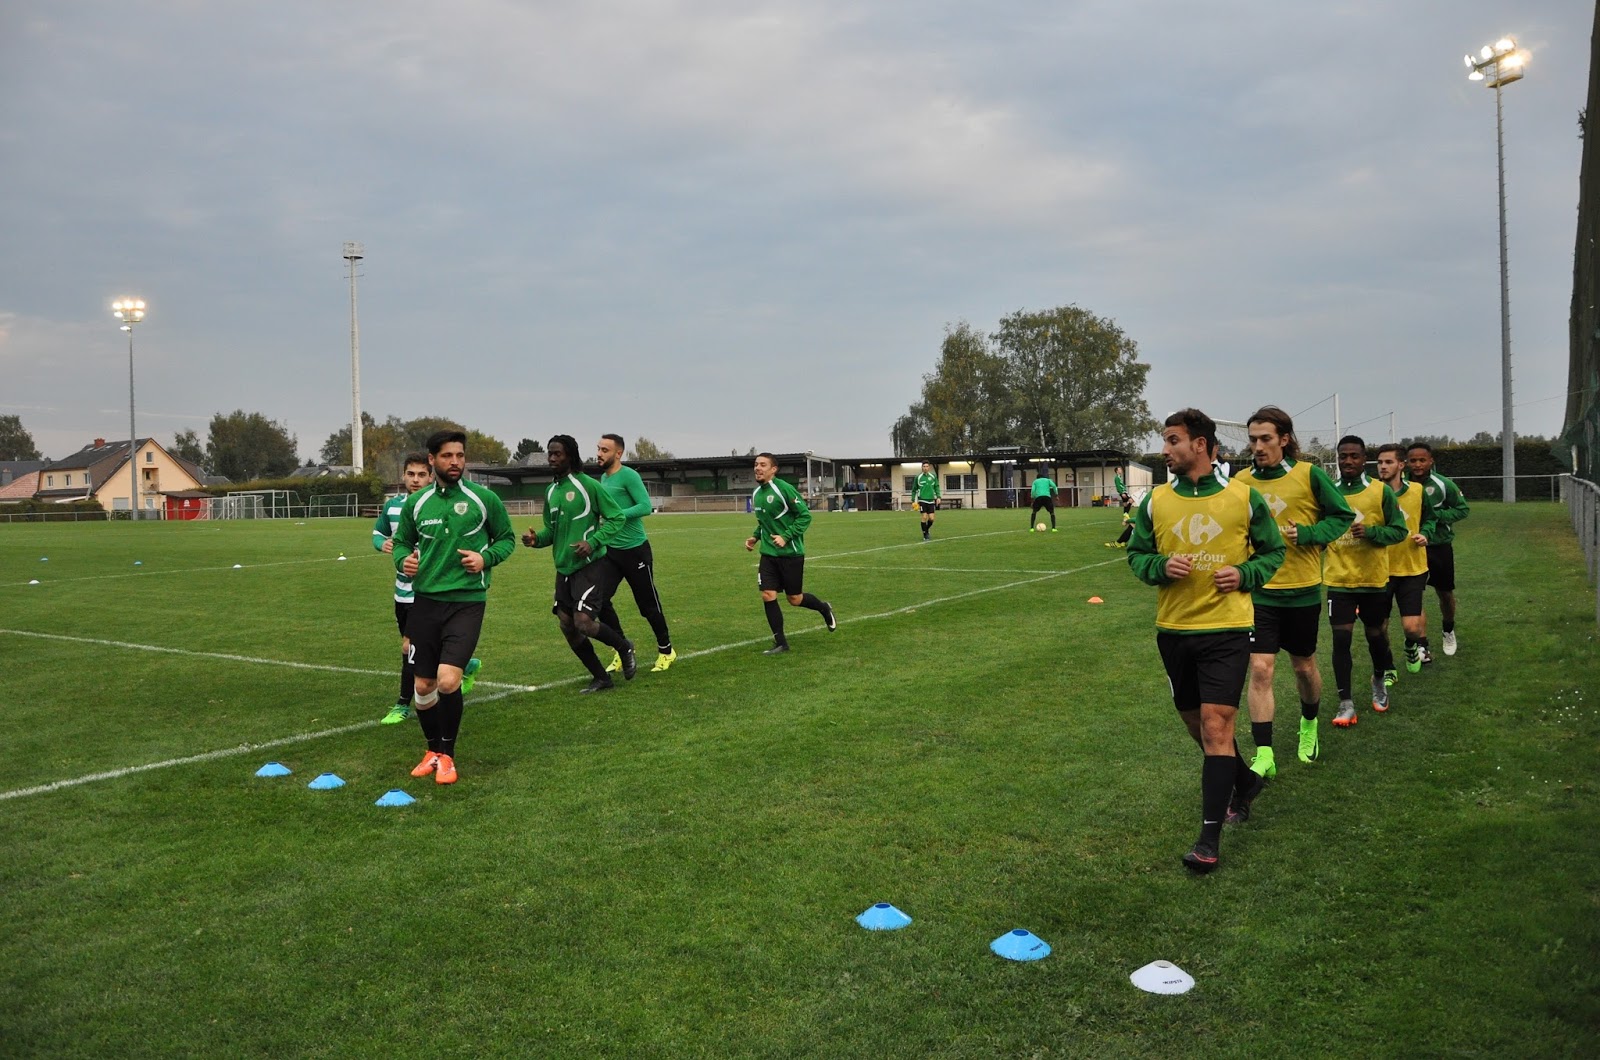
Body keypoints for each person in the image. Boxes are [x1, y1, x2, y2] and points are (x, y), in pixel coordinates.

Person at [1127, 408, 1285, 873]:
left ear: (1200, 444)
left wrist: (1245, 573)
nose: (1165, 449)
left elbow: (1273, 551)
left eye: (1172, 440)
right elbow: (1138, 556)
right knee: (1198, 728)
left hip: (1227, 630)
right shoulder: (1154, 501)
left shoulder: (1244, 498)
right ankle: (1245, 780)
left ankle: (1208, 840)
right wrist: (1158, 567)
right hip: (1174, 632)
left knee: (1217, 728)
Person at [1233, 405, 1354, 777]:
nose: (1258, 446)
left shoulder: (1309, 475)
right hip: (1260, 592)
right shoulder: (1240, 482)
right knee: (1260, 668)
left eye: (1265, 438)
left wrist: (1309, 534)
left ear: (1284, 439)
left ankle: (1309, 724)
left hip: (1301, 591)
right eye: (1253, 439)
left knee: (1303, 667)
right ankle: (1265, 753)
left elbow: (1342, 516)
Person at [389, 430, 516, 785]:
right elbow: (401, 543)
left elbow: (506, 539)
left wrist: (485, 557)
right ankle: (431, 750)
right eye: (447, 456)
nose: (456, 462)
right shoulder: (417, 504)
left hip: (466, 602)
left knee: (447, 680)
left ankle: (448, 755)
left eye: (460, 455)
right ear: (432, 460)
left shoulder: (484, 498)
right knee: (424, 686)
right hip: (425, 602)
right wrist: (403, 561)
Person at [523, 435, 635, 693]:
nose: (552, 458)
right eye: (550, 453)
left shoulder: (588, 486)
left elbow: (617, 518)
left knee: (583, 621)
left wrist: (593, 542)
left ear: (570, 456)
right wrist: (534, 539)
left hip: (590, 565)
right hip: (563, 568)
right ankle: (601, 677)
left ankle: (624, 646)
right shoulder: (551, 491)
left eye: (557, 454)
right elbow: (551, 532)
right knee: (567, 624)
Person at [1325, 437, 1407, 728]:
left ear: (1364, 459)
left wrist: (1372, 532)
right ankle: (1345, 703)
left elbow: (1399, 531)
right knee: (1341, 639)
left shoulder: (1380, 491)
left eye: (1354, 456)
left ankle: (1378, 679)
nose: (1348, 461)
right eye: (1343, 456)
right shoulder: (1328, 491)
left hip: (1373, 580)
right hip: (1338, 580)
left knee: (1376, 636)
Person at [593, 433, 678, 674]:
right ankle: (622, 648)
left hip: (635, 551)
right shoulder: (603, 478)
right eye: (598, 449)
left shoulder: (629, 475)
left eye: (605, 450)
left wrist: (616, 515)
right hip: (611, 551)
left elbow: (644, 506)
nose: (599, 453)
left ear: (618, 453)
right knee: (598, 601)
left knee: (648, 606)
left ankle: (666, 650)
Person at [745, 452, 835, 654]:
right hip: (768, 554)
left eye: (763, 465)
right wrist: (755, 537)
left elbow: (804, 516)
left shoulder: (784, 489)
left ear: (773, 469)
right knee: (767, 594)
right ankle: (780, 643)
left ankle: (823, 608)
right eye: (756, 464)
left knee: (794, 599)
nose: (757, 468)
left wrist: (786, 537)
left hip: (791, 554)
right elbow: (764, 523)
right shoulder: (756, 493)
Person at [1377, 443, 1438, 674]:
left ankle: (1412, 645)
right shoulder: (1372, 491)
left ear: (1401, 465)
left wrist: (1426, 533)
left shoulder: (1417, 491)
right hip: (1380, 570)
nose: (1383, 467)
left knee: (1412, 628)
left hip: (1413, 568)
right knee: (1379, 627)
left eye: (1388, 462)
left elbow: (1430, 519)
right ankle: (1388, 665)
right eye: (1380, 462)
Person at [1407, 442, 1470, 657]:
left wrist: (1436, 516)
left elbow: (1462, 510)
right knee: (1415, 595)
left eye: (1421, 460)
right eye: (1413, 460)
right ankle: (1422, 644)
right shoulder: (1401, 484)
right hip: (1412, 548)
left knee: (1444, 594)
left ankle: (1448, 629)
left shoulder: (1443, 485)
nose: (1417, 464)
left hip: (1440, 546)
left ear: (1431, 461)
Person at [913, 461, 941, 541]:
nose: (925, 468)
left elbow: (936, 486)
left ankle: (926, 529)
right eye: (924, 466)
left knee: (931, 518)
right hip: (922, 500)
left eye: (927, 466)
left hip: (931, 500)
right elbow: (914, 489)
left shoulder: (933, 476)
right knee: (924, 517)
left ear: (929, 467)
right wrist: (913, 500)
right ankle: (925, 534)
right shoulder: (918, 477)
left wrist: (938, 497)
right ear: (922, 467)